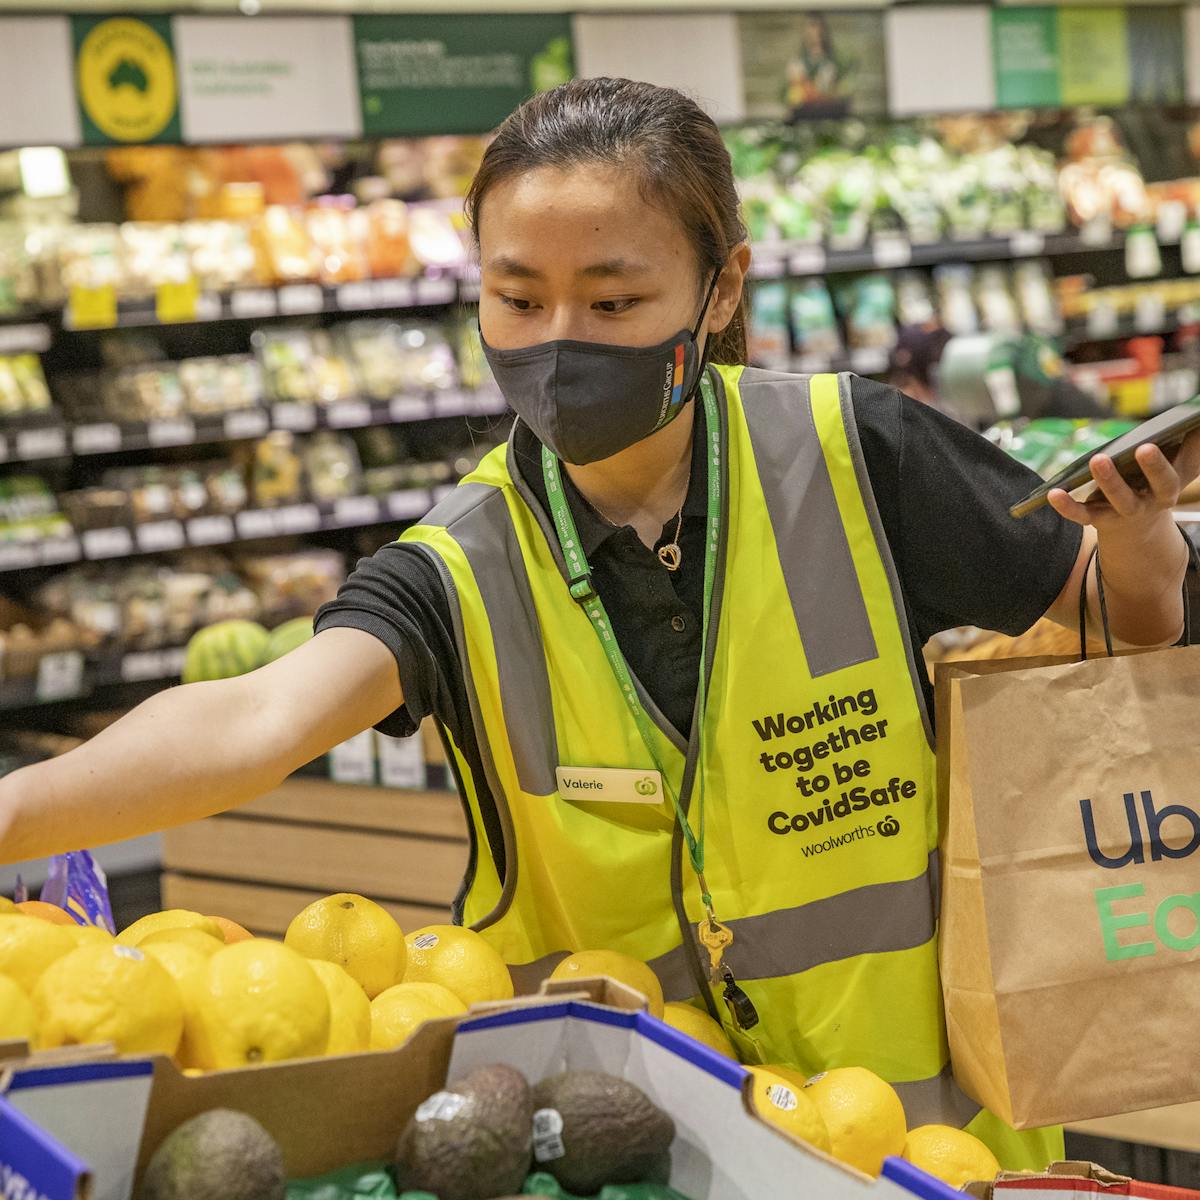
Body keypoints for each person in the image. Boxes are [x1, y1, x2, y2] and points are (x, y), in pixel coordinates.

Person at [3, 78, 1198, 1170]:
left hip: (914, 1151)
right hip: (618, 1161)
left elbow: (1109, 618)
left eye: (614, 298)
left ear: (721, 286)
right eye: (516, 297)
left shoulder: (858, 450)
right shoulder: (463, 562)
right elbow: (254, 720)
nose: (557, 342)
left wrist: (1138, 545)